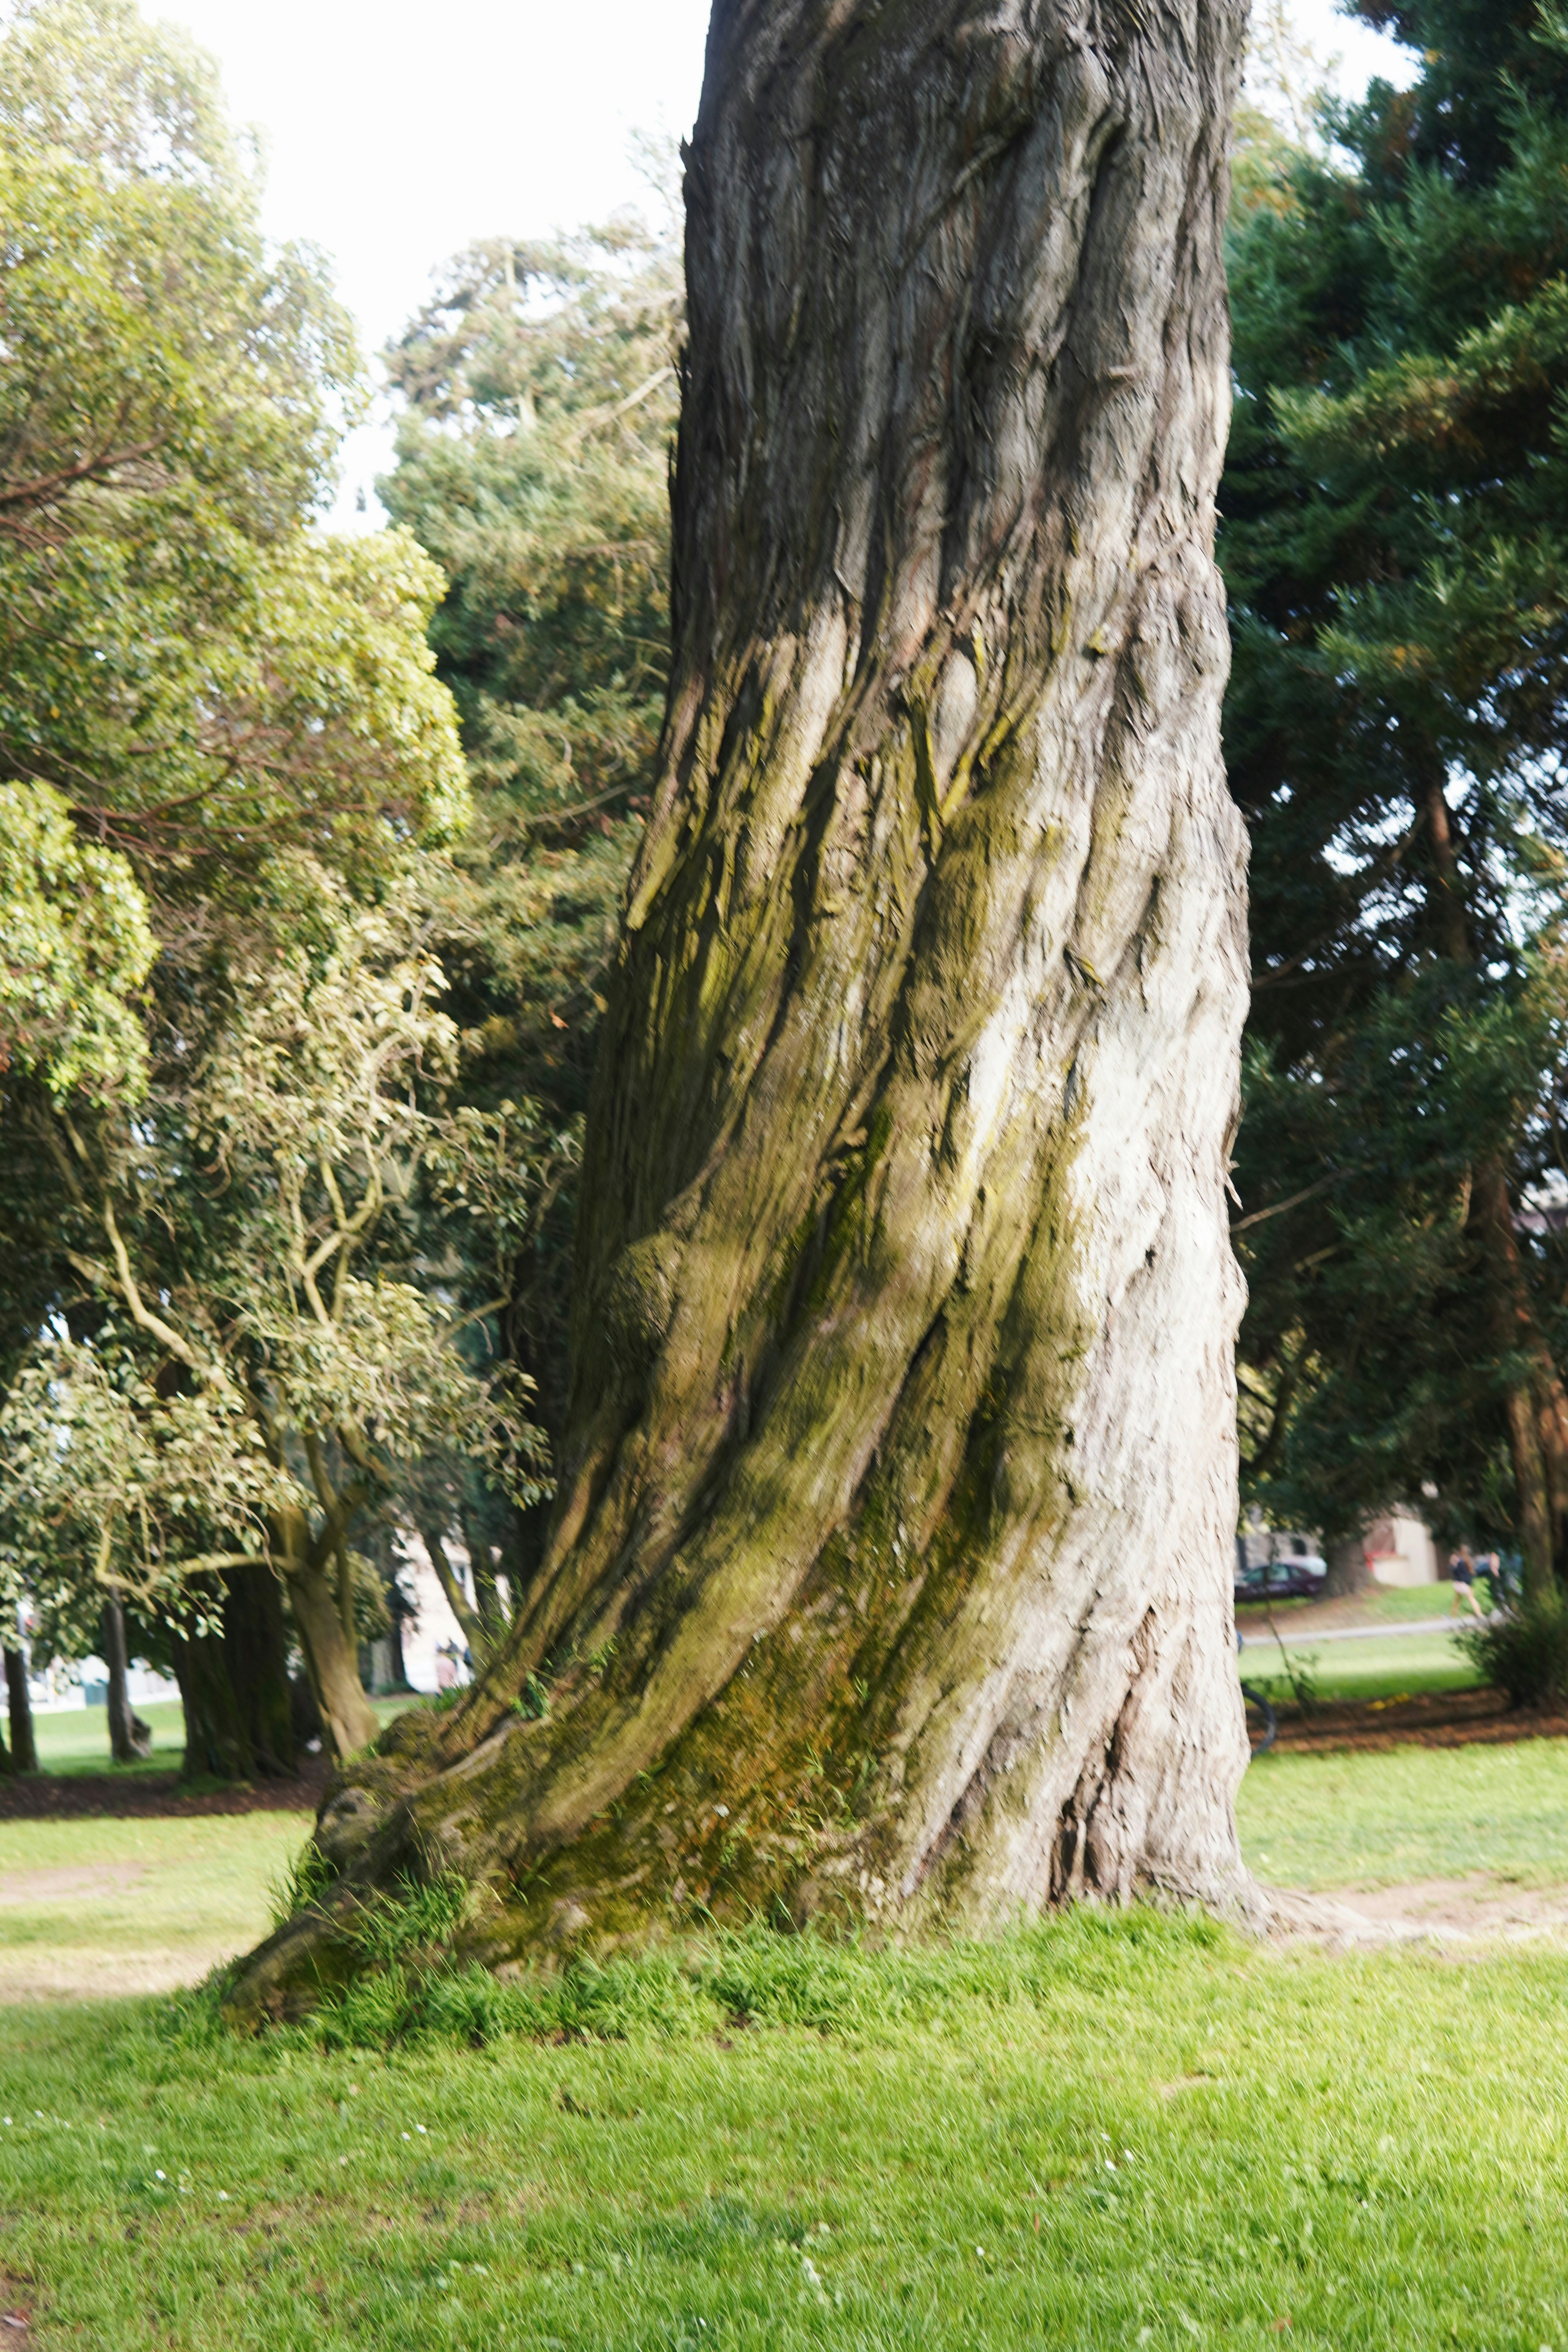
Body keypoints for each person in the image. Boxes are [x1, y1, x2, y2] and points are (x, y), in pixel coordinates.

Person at [1448, 1545, 1485, 1619]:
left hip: (1461, 1584)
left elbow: (1456, 1572)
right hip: (1467, 1583)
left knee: (1461, 1600)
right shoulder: (1467, 1561)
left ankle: (1479, 1615)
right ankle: (1452, 1616)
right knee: (1462, 1599)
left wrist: (1452, 1564)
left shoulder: (1460, 1563)